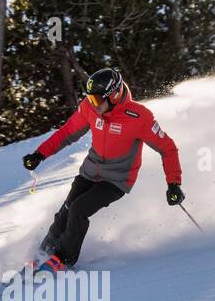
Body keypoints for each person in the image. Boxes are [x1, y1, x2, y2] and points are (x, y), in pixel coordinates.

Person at [21, 68, 184, 272]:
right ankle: (42, 255)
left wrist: (174, 184)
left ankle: (63, 259)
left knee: (78, 210)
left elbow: (168, 148)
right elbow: (67, 133)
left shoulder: (139, 117)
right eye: (90, 98)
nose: (93, 104)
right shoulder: (90, 107)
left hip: (116, 180)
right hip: (90, 171)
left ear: (114, 95)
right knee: (64, 212)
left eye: (98, 100)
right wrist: (39, 154)